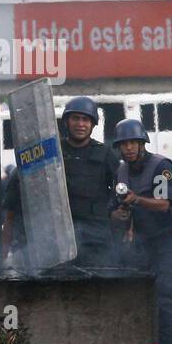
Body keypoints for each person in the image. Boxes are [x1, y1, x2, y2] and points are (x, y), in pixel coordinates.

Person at [110, 119, 172, 344]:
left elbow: (164, 203)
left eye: (133, 142)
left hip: (171, 235)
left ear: (142, 143)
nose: (129, 148)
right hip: (145, 237)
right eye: (124, 144)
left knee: (164, 290)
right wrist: (118, 214)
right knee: (136, 288)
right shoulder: (121, 171)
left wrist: (135, 200)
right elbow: (115, 205)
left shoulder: (161, 166)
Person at [59, 96, 120, 266]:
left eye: (85, 119)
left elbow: (122, 187)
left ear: (93, 124)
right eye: (75, 118)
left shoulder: (105, 153)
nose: (80, 124)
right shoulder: (54, 151)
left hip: (97, 235)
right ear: (66, 122)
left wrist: (116, 210)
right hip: (63, 234)